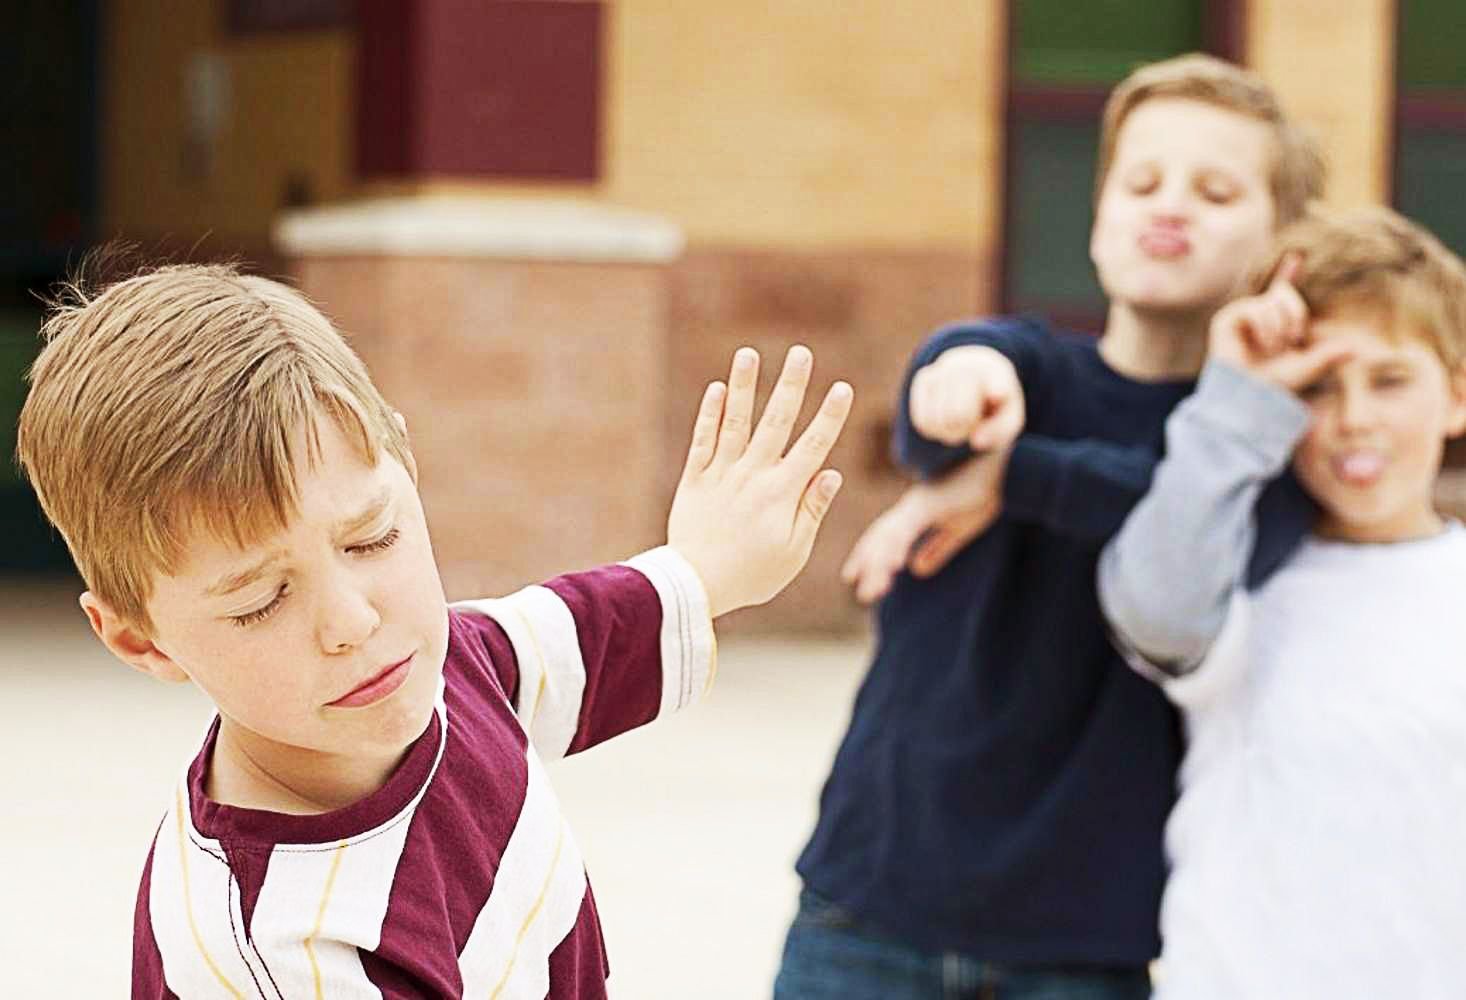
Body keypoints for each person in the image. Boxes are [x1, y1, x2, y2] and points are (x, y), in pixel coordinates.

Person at [14, 262, 852, 998]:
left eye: (370, 537)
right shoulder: (281, 950)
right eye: (261, 599)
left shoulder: (441, 666)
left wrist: (709, 566)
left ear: (405, 463)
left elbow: (586, 636)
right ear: (141, 640)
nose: (353, 620)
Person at [776, 54, 1324, 999]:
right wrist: (962, 397)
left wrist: (1013, 478)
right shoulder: (1026, 367)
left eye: (1218, 191)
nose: (1171, 206)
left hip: (1082, 952)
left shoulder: (1251, 450)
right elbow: (949, 386)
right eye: (1140, 181)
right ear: (1100, 216)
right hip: (869, 909)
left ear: (1282, 246)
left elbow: (1196, 508)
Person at [1099, 206, 1466, 997]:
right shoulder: (1236, 576)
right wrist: (1237, 398)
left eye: (1390, 380)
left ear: (1458, 395)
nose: (1353, 419)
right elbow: (1155, 610)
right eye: (1317, 387)